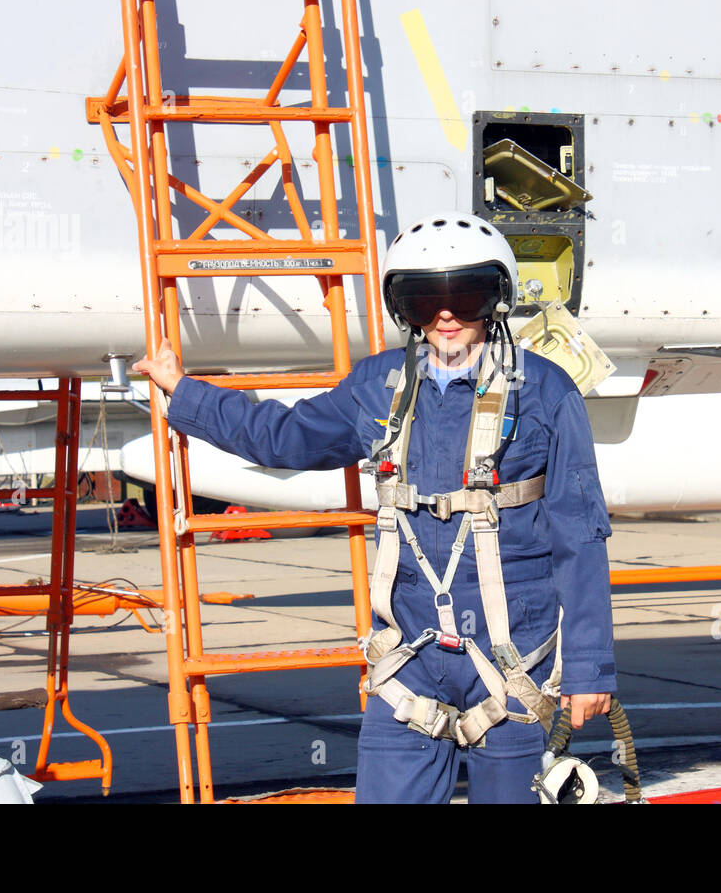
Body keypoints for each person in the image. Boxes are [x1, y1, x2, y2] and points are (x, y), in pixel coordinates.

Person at [133, 211, 616, 803]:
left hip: (515, 660)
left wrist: (591, 667)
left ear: (496, 299)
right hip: (409, 663)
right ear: (403, 309)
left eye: (464, 295)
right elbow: (282, 437)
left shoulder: (545, 391)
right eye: (422, 300)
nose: (445, 316)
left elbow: (580, 532)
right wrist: (185, 393)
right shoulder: (378, 386)